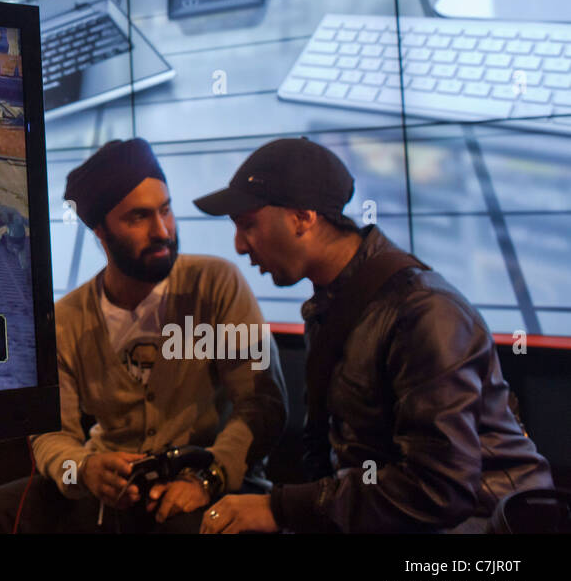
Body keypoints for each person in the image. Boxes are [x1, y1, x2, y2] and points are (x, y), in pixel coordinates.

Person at [192, 137, 553, 534]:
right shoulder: (333, 305)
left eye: (248, 225)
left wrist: (282, 509)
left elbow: (438, 489)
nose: (240, 245)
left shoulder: (423, 311)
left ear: (303, 217)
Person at [0, 138, 287, 533]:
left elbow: (261, 405)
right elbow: (51, 437)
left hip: (202, 479)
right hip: (110, 491)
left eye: (165, 210)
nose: (162, 231)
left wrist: (208, 477)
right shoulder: (67, 319)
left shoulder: (216, 284)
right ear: (100, 230)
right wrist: (83, 470)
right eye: (138, 217)